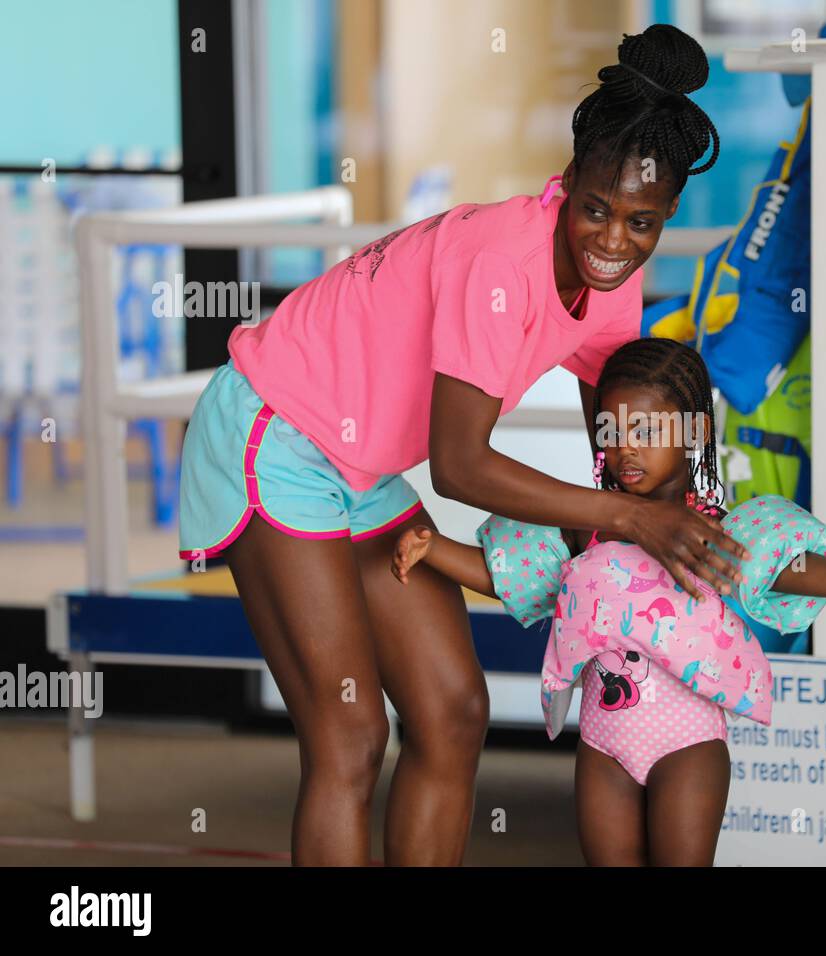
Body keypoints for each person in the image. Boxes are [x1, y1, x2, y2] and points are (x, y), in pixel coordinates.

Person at [177, 24, 739, 866]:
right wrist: (630, 521)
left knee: (450, 711)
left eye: (642, 223)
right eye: (596, 210)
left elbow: (614, 448)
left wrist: (672, 526)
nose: (614, 241)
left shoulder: (608, 286)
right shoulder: (501, 261)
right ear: (567, 182)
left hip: (360, 464)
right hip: (278, 429)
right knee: (351, 732)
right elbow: (461, 465)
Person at [392, 337, 826, 865]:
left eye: (646, 429)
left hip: (688, 748)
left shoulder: (713, 531)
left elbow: (783, 566)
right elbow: (512, 576)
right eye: (610, 430)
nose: (624, 446)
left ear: (693, 432)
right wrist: (434, 548)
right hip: (602, 749)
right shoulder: (587, 531)